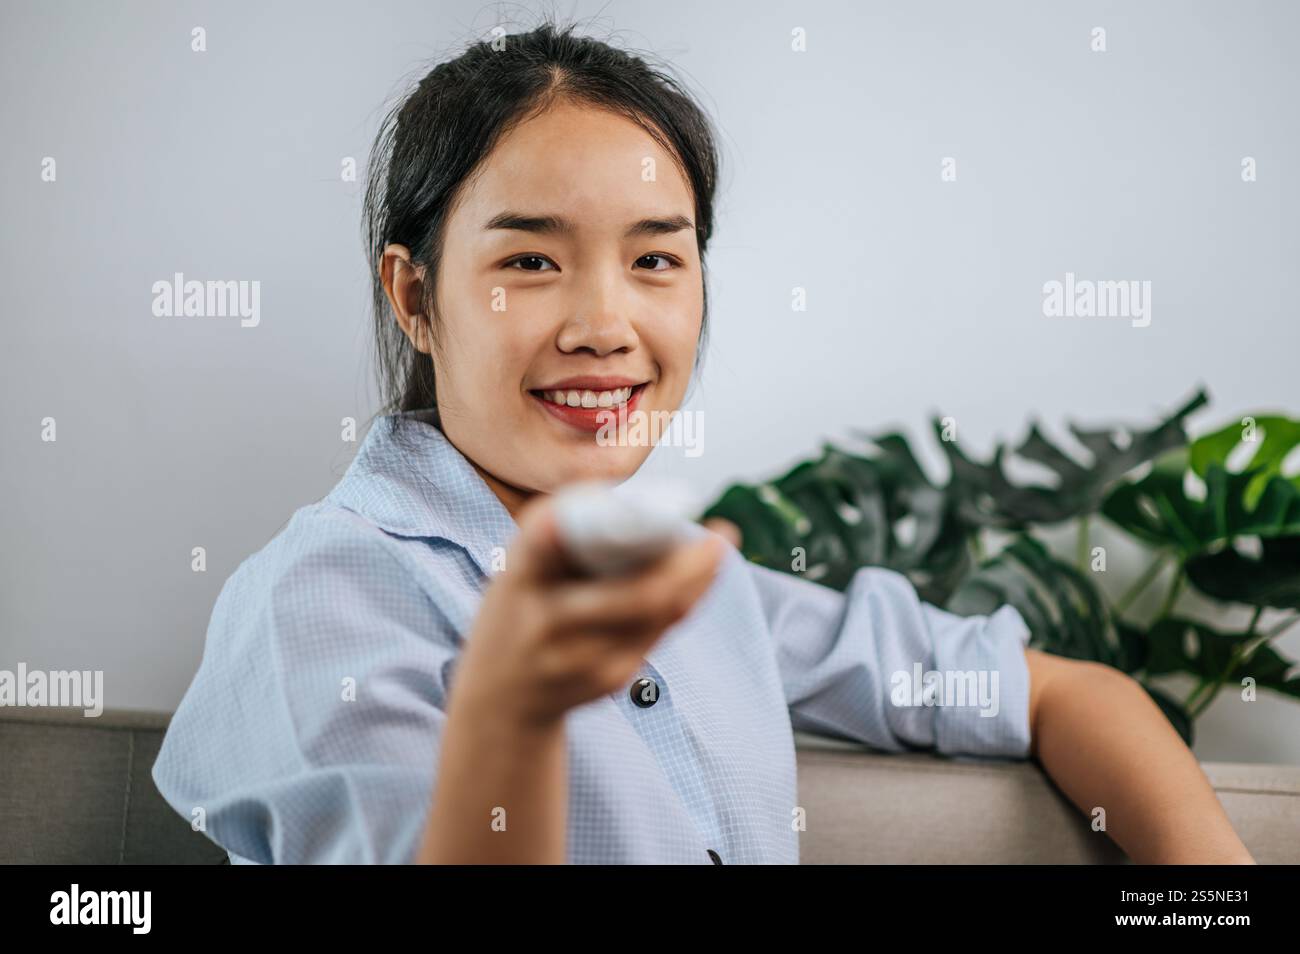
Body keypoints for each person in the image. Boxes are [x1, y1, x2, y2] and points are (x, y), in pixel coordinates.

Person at [152, 20, 1255, 865]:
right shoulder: (320, 598)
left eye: (656, 260)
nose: (604, 326)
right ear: (416, 297)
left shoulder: (701, 590)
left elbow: (1063, 695)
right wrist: (513, 710)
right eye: (530, 262)